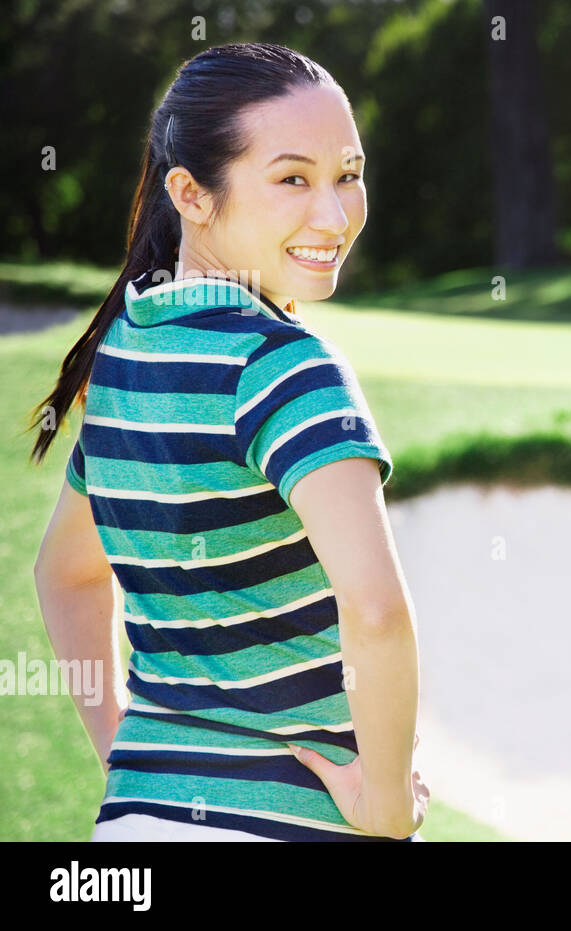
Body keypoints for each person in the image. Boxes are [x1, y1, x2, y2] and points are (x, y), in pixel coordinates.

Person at [28, 43, 428, 842]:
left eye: (347, 173)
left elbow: (64, 573)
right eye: (292, 179)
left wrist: (130, 761)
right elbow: (376, 611)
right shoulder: (284, 367)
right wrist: (384, 800)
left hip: (136, 830)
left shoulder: (122, 355)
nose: (335, 212)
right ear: (190, 193)